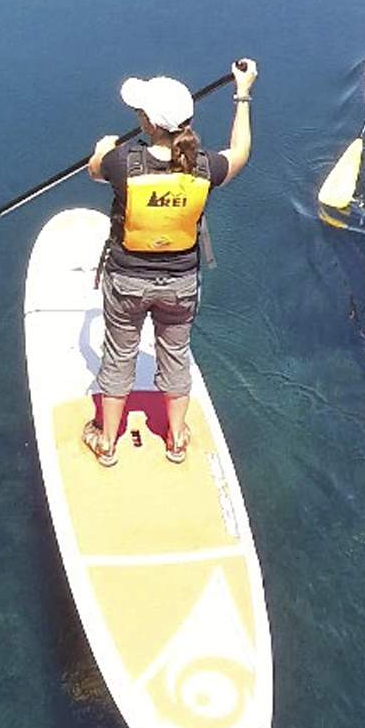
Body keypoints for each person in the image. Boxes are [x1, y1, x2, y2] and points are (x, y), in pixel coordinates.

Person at [80, 59, 257, 468]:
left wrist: (101, 150)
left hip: (127, 282)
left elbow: (93, 172)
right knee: (175, 354)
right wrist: (243, 92)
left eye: (140, 112)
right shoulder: (205, 167)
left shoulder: (121, 163)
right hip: (180, 285)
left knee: (119, 356)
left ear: (149, 124)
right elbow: (242, 152)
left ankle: (107, 442)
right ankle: (176, 440)